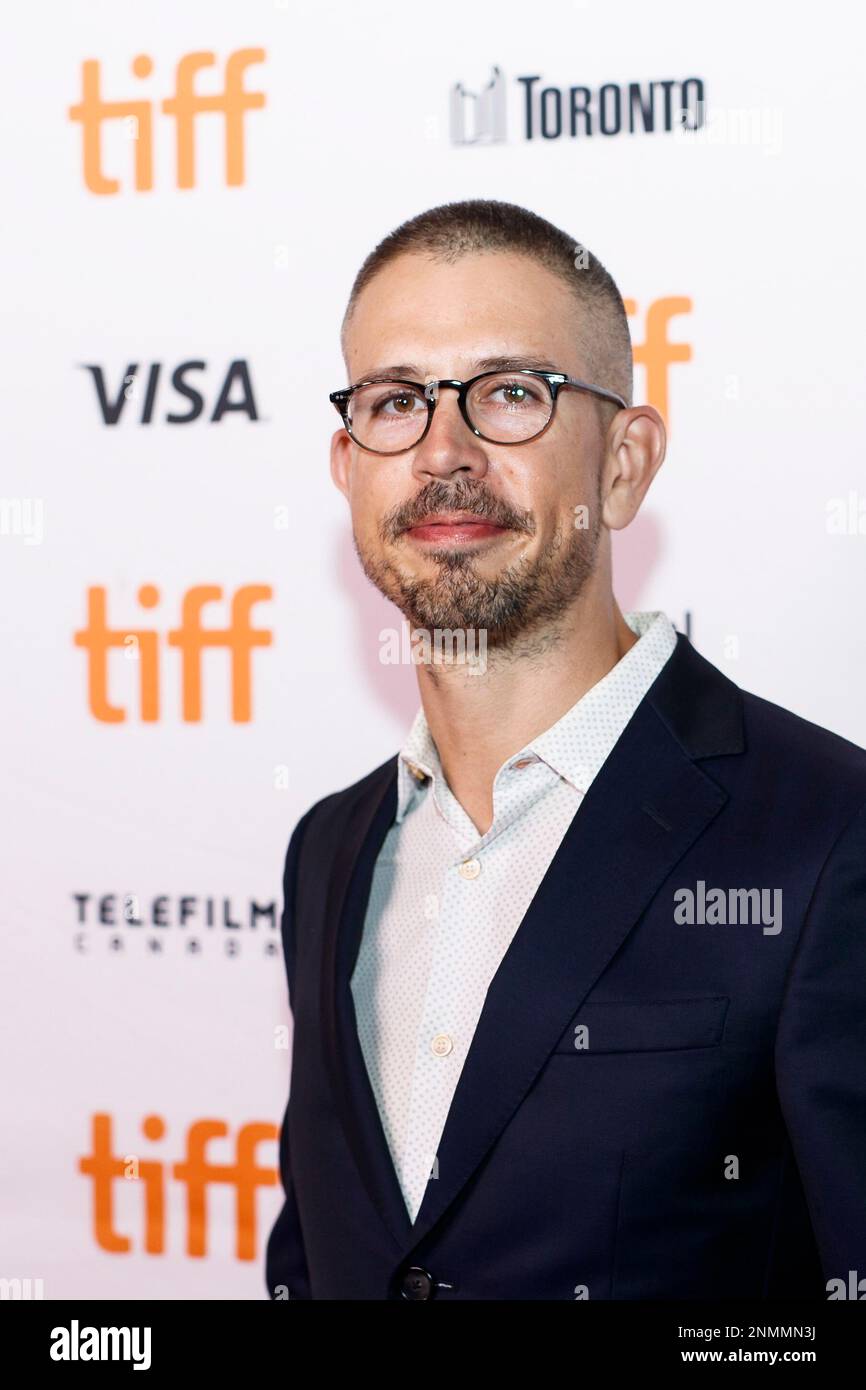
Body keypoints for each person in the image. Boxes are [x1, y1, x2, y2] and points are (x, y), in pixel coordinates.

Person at [266, 199, 866, 1300]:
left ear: (624, 463)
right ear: (348, 468)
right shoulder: (328, 851)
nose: (443, 452)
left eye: (508, 393)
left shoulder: (829, 837)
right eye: (395, 402)